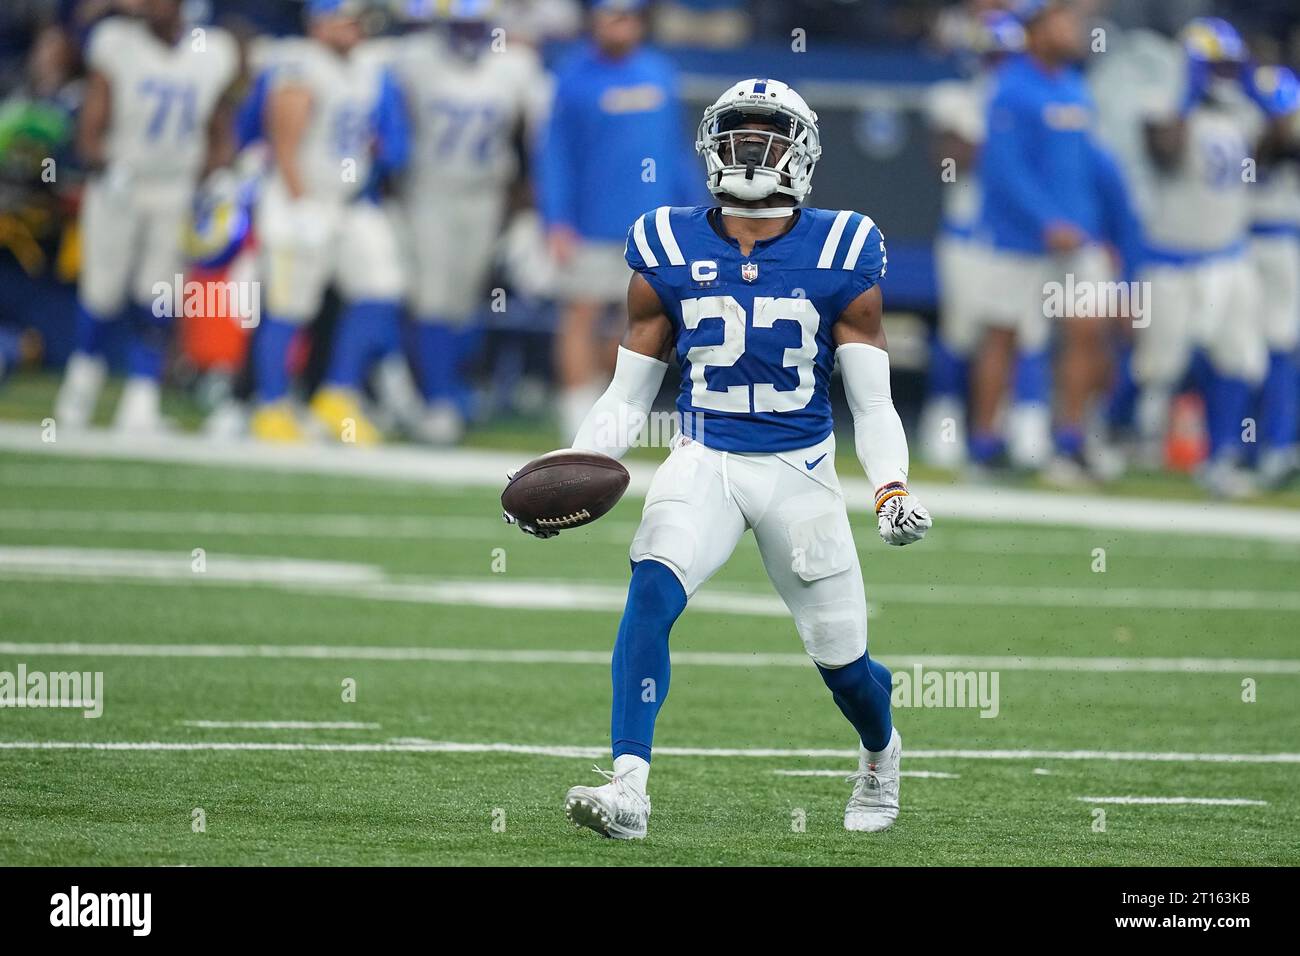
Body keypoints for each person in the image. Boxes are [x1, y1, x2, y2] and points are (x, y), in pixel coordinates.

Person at [505, 78, 932, 840]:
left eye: (767, 136)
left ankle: (880, 750)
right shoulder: (666, 241)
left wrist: (891, 488)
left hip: (800, 470)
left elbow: (872, 402)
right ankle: (629, 786)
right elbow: (627, 396)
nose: (750, 149)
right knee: (650, 591)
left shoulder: (844, 246)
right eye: (737, 135)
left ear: (800, 152)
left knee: (847, 671)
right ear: (710, 146)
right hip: (704, 457)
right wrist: (572, 462)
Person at [971, 0, 1141, 484]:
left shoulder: (1076, 87)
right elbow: (1004, 169)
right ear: (1036, 30)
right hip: (1018, 241)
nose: (1074, 29)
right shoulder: (1011, 88)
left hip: (1079, 238)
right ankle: (984, 446)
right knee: (1002, 334)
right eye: (1063, 21)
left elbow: (1095, 167)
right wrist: (1045, 221)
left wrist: (1112, 228)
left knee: (1087, 331)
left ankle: (1070, 441)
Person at [53, 0, 239, 434]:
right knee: (102, 292)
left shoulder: (211, 51)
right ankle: (79, 389)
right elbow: (90, 128)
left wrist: (218, 175)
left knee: (157, 296)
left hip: (174, 189)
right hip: (121, 184)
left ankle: (141, 399)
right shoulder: (117, 42)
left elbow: (219, 130)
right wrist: (104, 166)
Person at [249, 0, 409, 444]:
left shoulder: (365, 66)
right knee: (289, 306)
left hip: (347, 201)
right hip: (299, 199)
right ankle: (270, 406)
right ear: (320, 23)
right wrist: (300, 203)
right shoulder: (301, 64)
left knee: (380, 287)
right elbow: (283, 140)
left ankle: (336, 395)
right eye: (344, 17)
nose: (354, 25)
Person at [535, 0, 694, 442]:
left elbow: (676, 149)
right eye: (611, 15)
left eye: (628, 15)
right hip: (589, 222)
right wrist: (557, 219)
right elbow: (555, 154)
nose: (619, 24)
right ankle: (574, 417)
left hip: (652, 226)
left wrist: (692, 208)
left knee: (637, 322)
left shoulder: (661, 72)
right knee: (580, 313)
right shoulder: (573, 75)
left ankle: (608, 414)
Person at [392, 0, 546, 443]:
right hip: (428, 192)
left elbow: (535, 136)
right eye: (460, 24)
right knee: (432, 299)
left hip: (486, 195)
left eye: (476, 24)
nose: (468, 34)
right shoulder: (414, 59)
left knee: (464, 301)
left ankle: (450, 390)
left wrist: (530, 200)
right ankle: (435, 398)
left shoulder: (515, 65)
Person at [1134, 17, 1270, 497]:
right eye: (1216, 65)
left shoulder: (1243, 112)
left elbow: (1274, 150)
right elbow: (1164, 152)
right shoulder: (1163, 104)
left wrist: (1270, 99)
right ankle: (1121, 441)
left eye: (1232, 65)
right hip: (1170, 258)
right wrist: (1185, 95)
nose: (1225, 74)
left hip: (1229, 256)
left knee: (1240, 358)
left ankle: (1224, 456)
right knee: (1157, 366)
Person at [917, 9, 1025, 470]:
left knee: (1015, 334)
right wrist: (1000, 123)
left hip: (1017, 238)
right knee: (961, 332)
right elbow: (950, 160)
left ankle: (1001, 431)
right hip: (967, 236)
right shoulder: (957, 99)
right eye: (993, 54)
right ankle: (943, 422)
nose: (999, 63)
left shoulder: (1028, 101)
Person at [1247, 65, 1300, 489]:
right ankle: (1243, 445)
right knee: (1241, 349)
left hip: (1284, 243)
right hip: (1239, 242)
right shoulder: (1233, 119)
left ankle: (1277, 445)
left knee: (1280, 344)